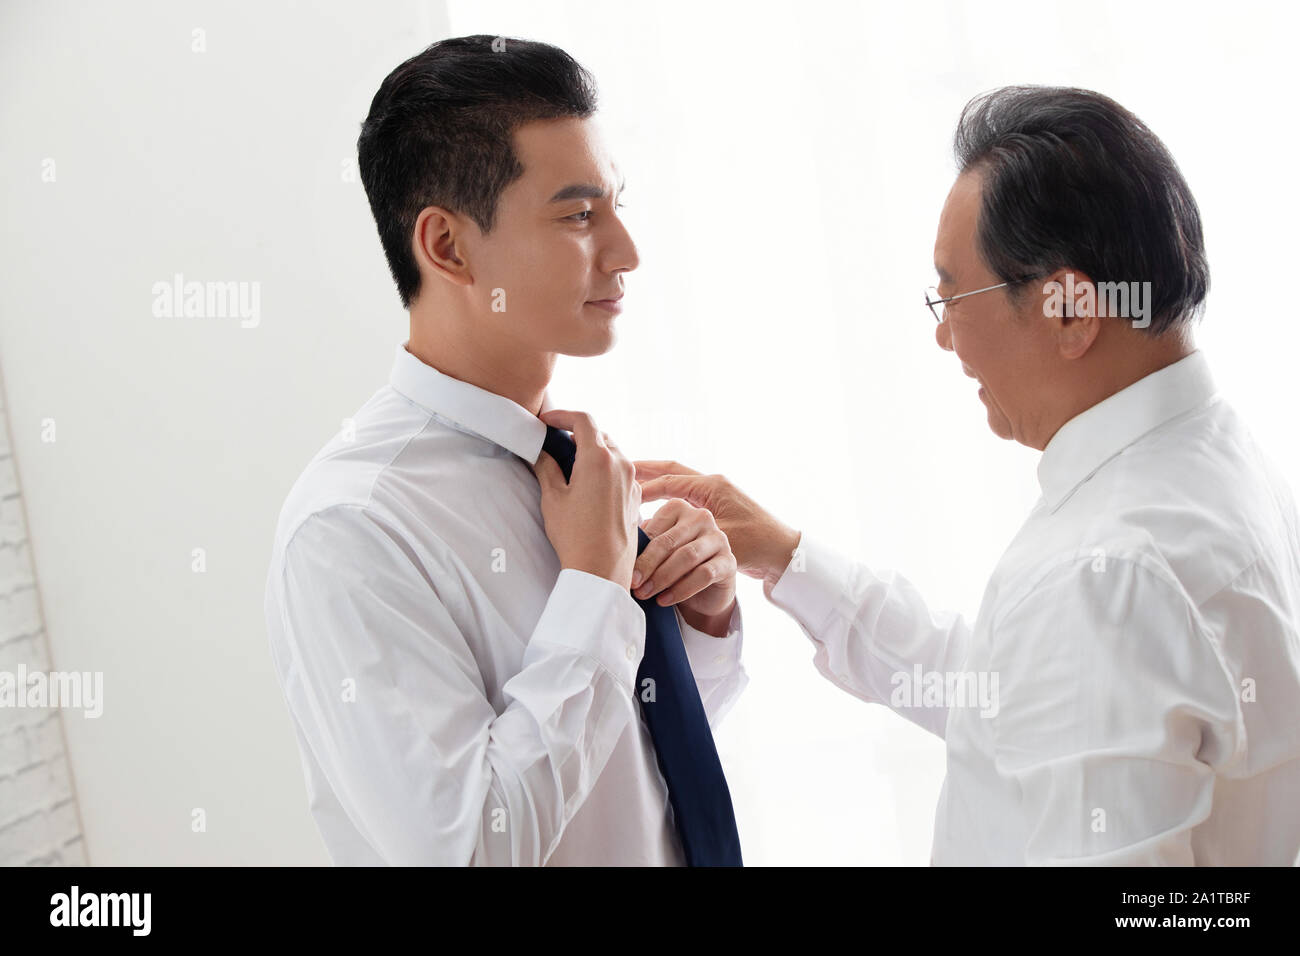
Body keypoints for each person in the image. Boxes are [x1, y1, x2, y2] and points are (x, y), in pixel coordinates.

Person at [637, 86, 1300, 865]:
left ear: (1069, 309)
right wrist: (788, 556)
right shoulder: (1214, 464)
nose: (946, 336)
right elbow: (1015, 700)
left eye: (954, 296)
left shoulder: (1110, 571)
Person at [263, 36, 746, 866]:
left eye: (617, 205)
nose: (626, 252)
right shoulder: (351, 529)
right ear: (449, 247)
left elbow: (623, 768)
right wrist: (594, 585)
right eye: (579, 215)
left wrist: (700, 617)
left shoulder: (577, 466)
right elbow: (475, 846)